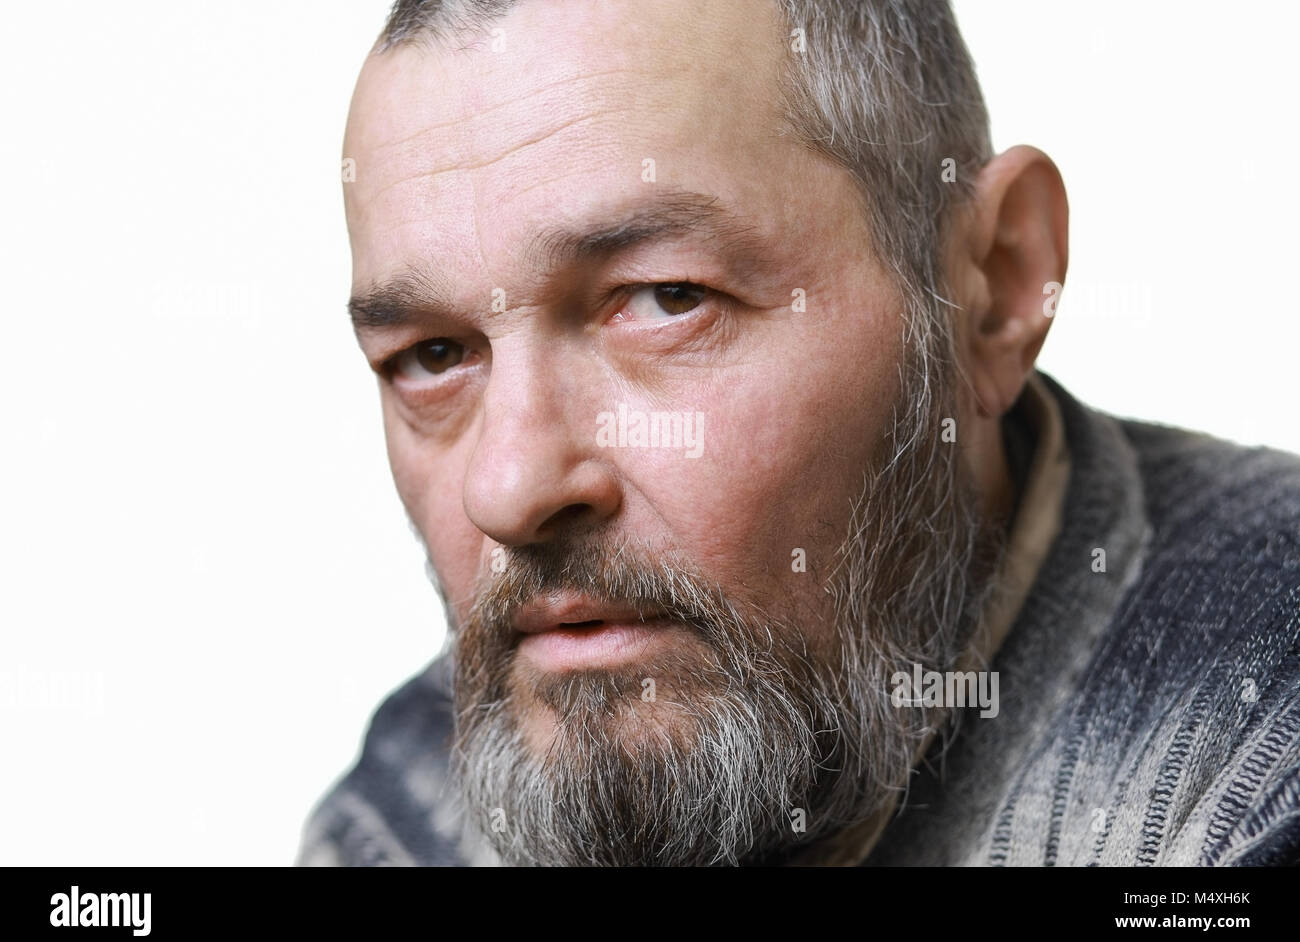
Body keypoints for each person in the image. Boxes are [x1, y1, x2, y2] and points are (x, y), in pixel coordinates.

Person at [297, 0, 1300, 866]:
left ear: (989, 283)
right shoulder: (400, 813)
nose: (508, 486)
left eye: (665, 297)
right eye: (432, 356)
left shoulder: (1261, 729)